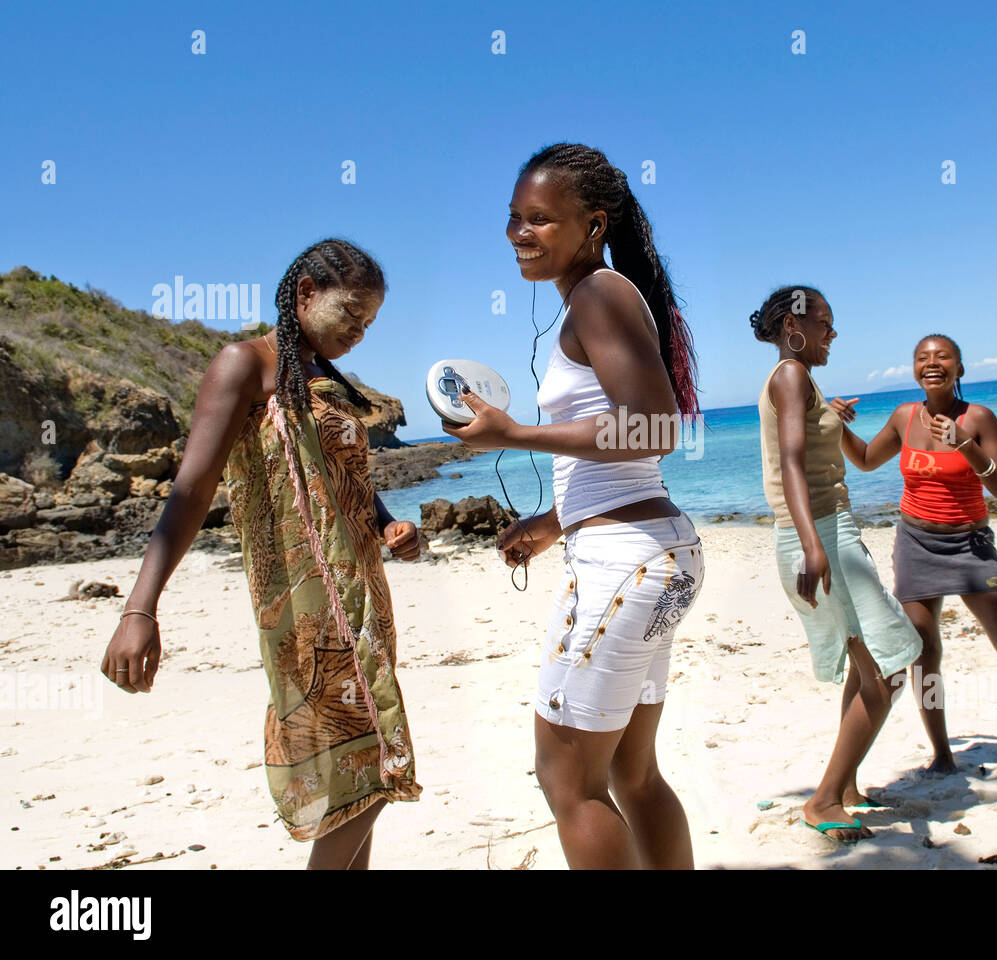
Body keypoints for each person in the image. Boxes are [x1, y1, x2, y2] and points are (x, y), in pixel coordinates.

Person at [101, 238, 423, 869]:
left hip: (362, 596)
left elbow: (346, 478)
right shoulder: (243, 365)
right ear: (305, 293)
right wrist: (141, 609)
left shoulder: (326, 377)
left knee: (357, 778)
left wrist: (388, 526)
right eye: (350, 314)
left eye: (369, 323)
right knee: (373, 766)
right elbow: (191, 490)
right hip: (304, 604)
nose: (359, 332)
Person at [441, 143, 704, 869]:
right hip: (653, 552)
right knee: (632, 772)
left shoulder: (597, 293)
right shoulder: (605, 297)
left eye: (540, 220)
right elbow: (635, 445)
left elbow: (654, 426)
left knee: (569, 784)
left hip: (625, 566)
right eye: (514, 218)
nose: (520, 233)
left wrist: (514, 431)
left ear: (593, 224)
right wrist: (555, 522)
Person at [829, 334, 997, 776]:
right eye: (922, 357)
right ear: (914, 369)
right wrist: (836, 427)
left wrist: (965, 444)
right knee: (924, 654)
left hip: (971, 546)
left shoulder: (980, 418)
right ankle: (942, 753)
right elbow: (868, 460)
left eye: (942, 356)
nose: (932, 363)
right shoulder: (904, 416)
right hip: (916, 545)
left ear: (959, 369)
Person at [750, 285, 922, 843]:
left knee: (868, 660)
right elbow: (792, 463)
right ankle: (824, 798)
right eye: (825, 323)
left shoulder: (805, 385)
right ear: (792, 327)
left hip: (829, 530)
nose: (832, 333)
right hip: (821, 534)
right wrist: (814, 546)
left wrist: (907, 426)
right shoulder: (791, 377)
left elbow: (867, 459)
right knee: (889, 664)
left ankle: (844, 787)